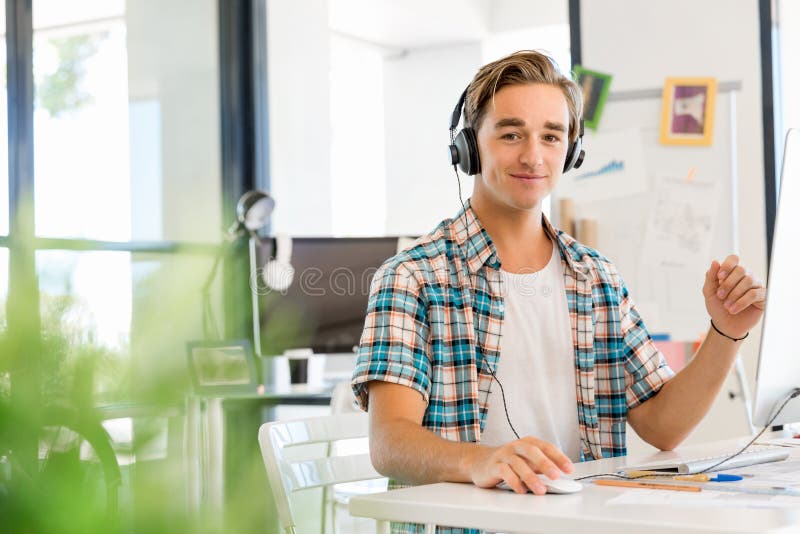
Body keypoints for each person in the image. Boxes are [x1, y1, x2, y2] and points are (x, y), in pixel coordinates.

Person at [351, 49, 765, 531]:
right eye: (511, 134)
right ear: (469, 147)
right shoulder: (412, 277)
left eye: (552, 136)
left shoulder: (596, 278)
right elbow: (389, 443)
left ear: (571, 151)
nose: (533, 155)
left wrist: (726, 331)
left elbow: (663, 426)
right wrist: (479, 461)